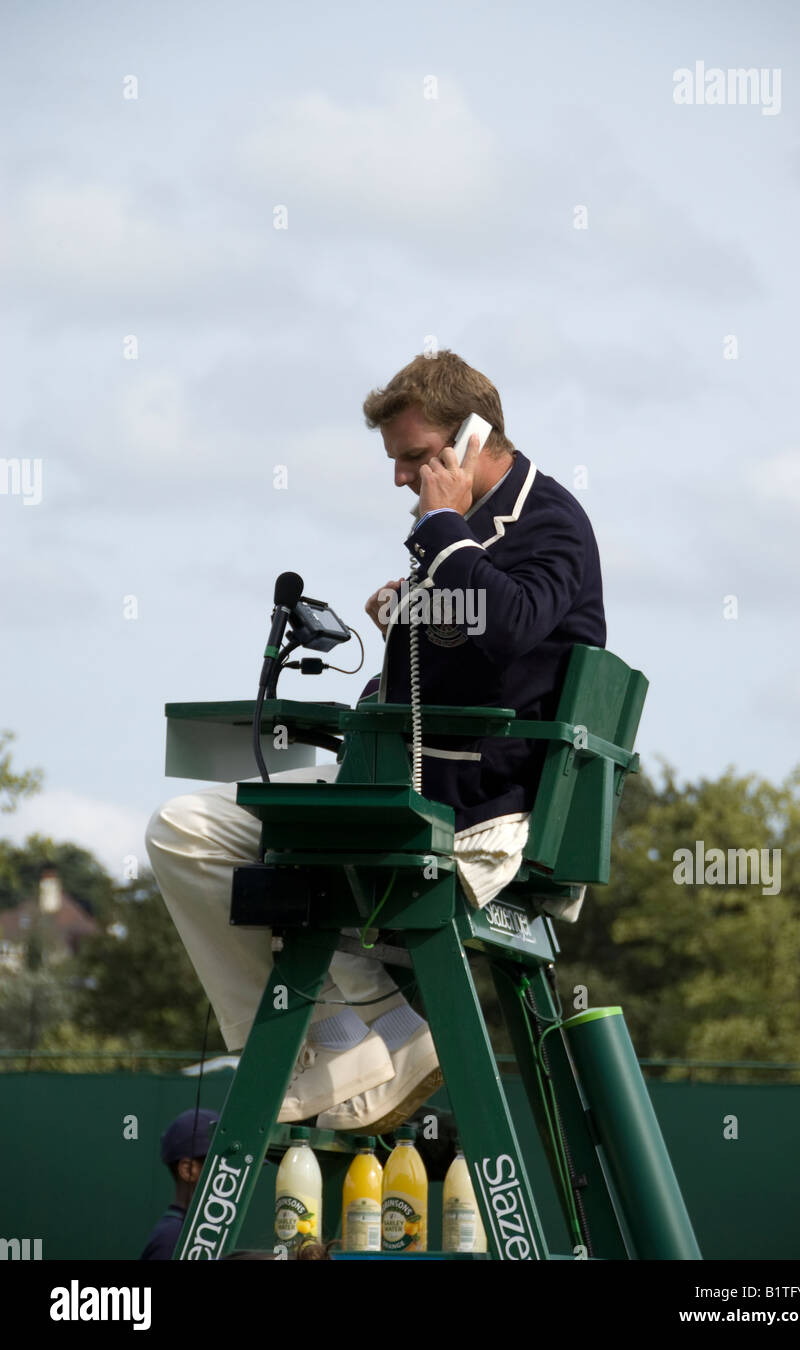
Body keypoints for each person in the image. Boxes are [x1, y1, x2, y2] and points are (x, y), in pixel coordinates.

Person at [145, 350, 605, 1134]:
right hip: (419, 785)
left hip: (462, 805)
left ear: (472, 440)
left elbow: (512, 626)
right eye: (396, 463)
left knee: (186, 832)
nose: (401, 479)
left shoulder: (546, 518)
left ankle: (344, 1033)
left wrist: (442, 530)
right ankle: (370, 1026)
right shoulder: (474, 529)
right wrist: (406, 621)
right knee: (194, 829)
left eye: (415, 459)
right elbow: (479, 653)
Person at [140, 1107, 220, 1260]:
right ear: (188, 1170)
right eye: (224, 1165)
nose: (232, 1174)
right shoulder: (173, 1238)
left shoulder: (199, 1231)